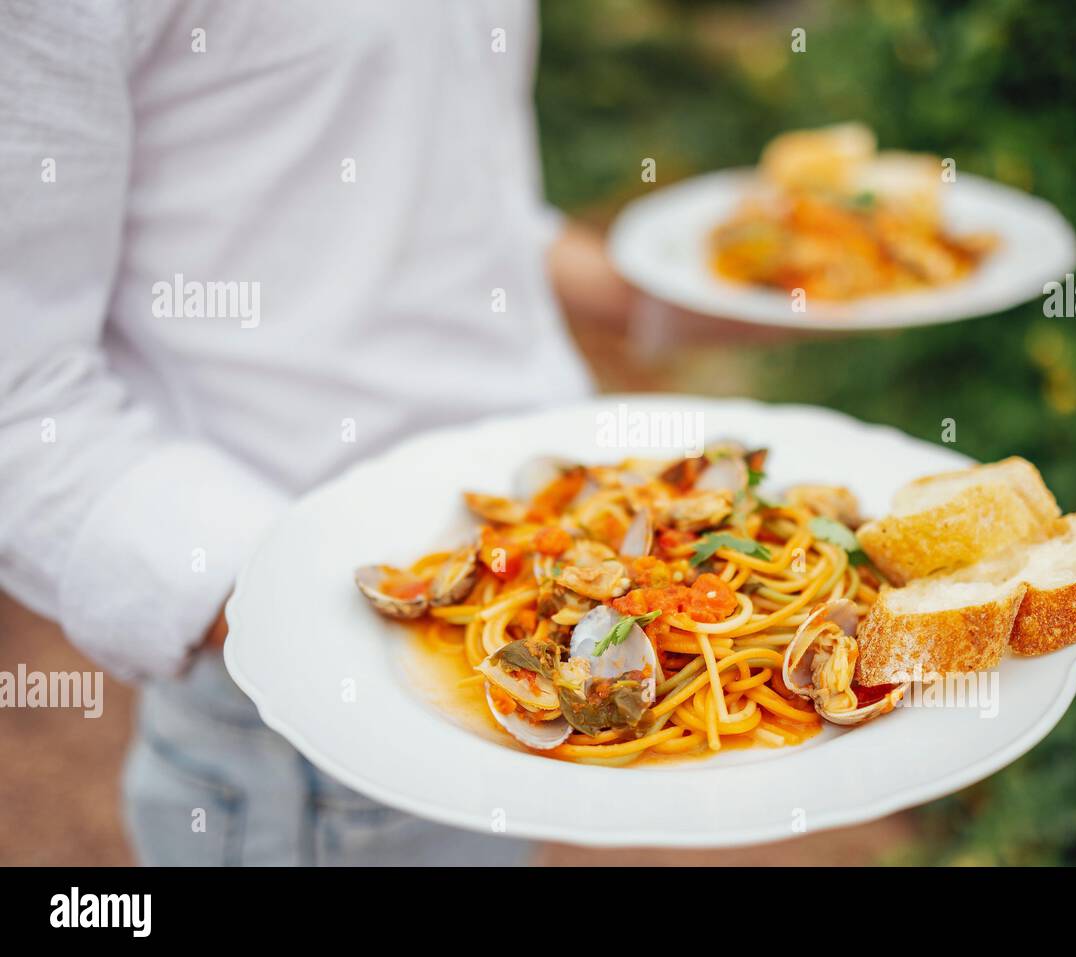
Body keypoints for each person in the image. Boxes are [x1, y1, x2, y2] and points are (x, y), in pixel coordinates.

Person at [0, 0, 629, 865]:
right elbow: (18, 395)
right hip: (309, 755)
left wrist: (669, 290)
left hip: (529, 625)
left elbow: (457, 194)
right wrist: (333, 625)